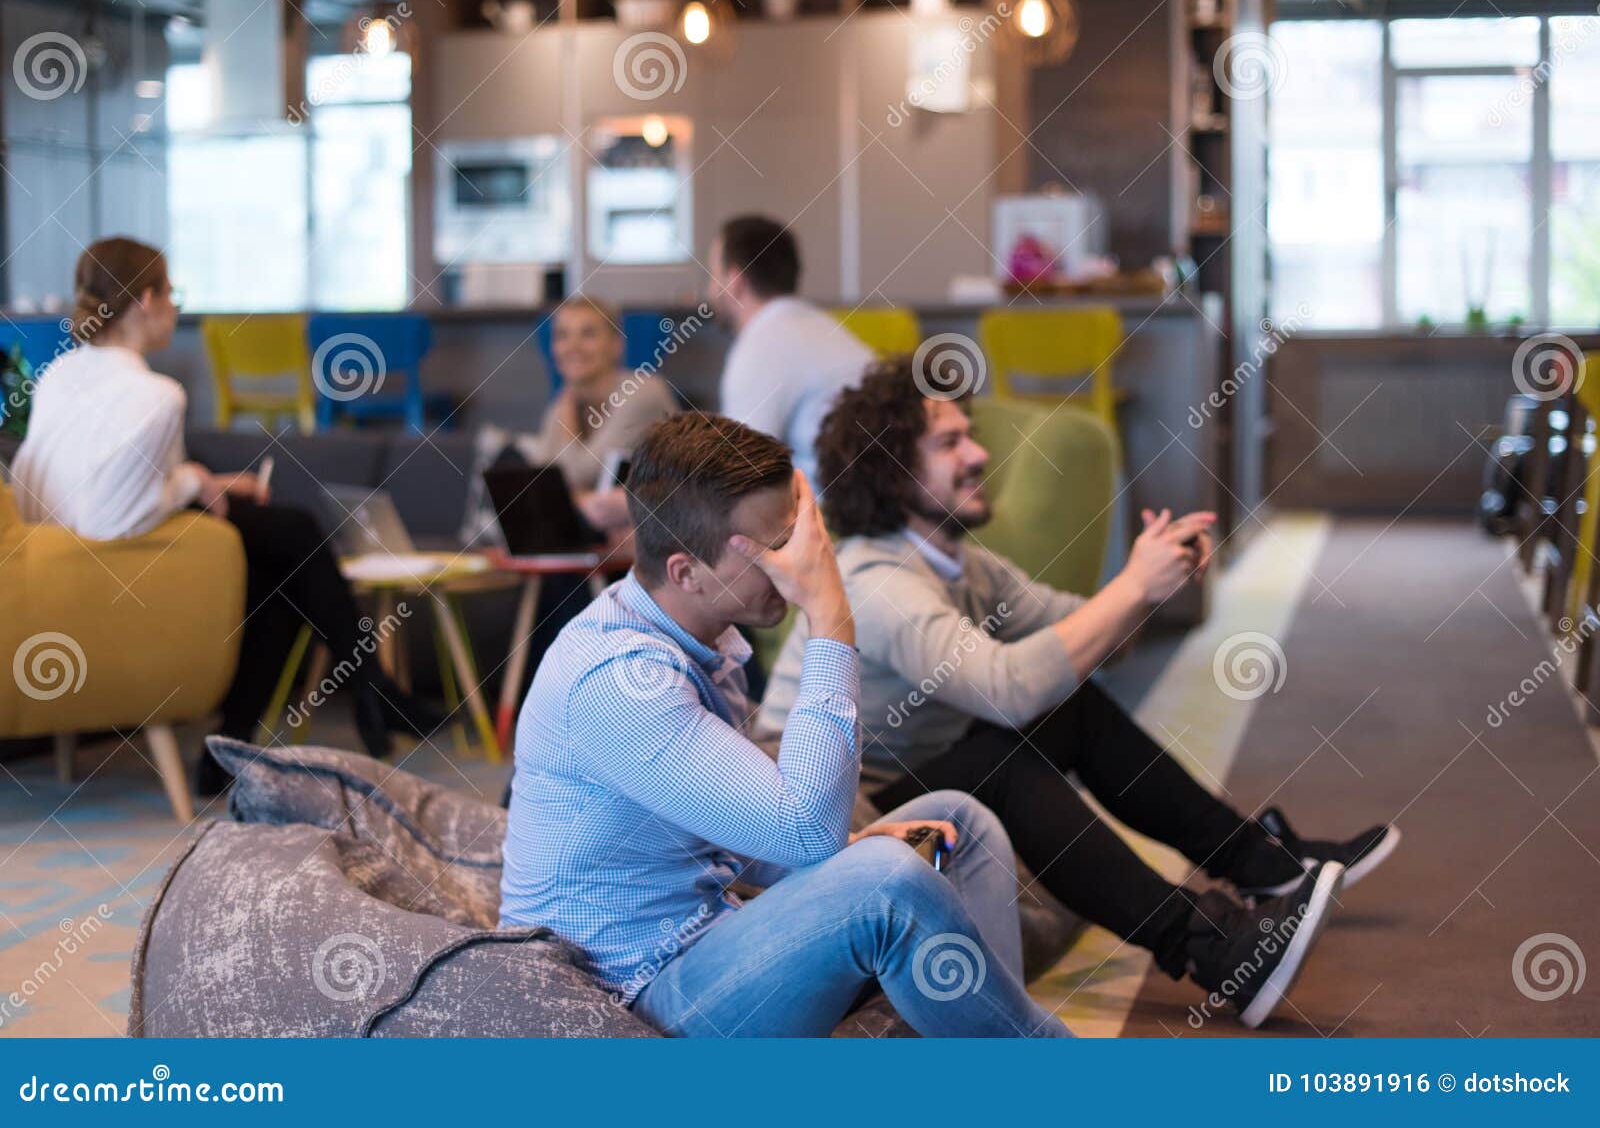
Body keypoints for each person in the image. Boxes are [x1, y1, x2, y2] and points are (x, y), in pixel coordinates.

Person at [759, 356, 1399, 1028]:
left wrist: (1149, 584)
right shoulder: (878, 583)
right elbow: (1006, 691)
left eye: (969, 433)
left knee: (1070, 709)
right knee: (1001, 763)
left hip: (906, 778)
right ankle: (1215, 948)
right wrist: (1131, 591)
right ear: (893, 473)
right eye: (949, 443)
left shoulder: (963, 564)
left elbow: (1089, 638)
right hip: (827, 819)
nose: (979, 453)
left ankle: (1265, 867)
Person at [498, 412, 1071, 1037]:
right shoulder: (619, 682)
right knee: (889, 883)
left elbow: (743, 833)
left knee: (962, 825)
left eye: (798, 538)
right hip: (637, 992)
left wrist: (859, 847)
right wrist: (830, 616)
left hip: (701, 939)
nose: (799, 565)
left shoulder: (697, 641)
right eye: (776, 550)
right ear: (686, 572)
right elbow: (805, 833)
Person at [11, 237, 442, 794]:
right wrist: (193, 482)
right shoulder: (158, 394)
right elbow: (115, 513)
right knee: (293, 535)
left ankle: (242, 739)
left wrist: (202, 483)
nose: (176, 308)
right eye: (172, 294)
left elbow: (100, 480)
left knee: (280, 559)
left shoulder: (58, 376)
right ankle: (372, 689)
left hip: (54, 568)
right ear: (146, 300)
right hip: (119, 576)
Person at [460, 294, 677, 547]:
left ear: (616, 345)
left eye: (588, 334)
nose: (573, 346)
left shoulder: (643, 390)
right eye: (563, 335)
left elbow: (580, 471)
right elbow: (543, 485)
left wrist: (568, 416)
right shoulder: (562, 405)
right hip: (595, 541)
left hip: (656, 537)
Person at [709, 215, 871, 489]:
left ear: (735, 281)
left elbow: (736, 474)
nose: (710, 290)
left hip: (831, 519)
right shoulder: (824, 326)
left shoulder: (761, 344)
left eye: (713, 276)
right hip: (873, 508)